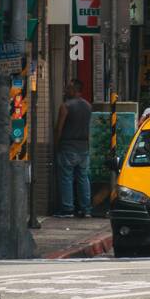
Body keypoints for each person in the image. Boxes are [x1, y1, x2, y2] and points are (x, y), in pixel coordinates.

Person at [54, 79, 92, 218]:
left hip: (68, 146)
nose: (65, 90)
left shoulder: (66, 106)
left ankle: (67, 209)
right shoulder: (88, 106)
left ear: (75, 90)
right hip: (83, 147)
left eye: (68, 88)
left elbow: (59, 128)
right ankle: (86, 209)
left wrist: (56, 144)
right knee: (83, 177)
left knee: (66, 178)